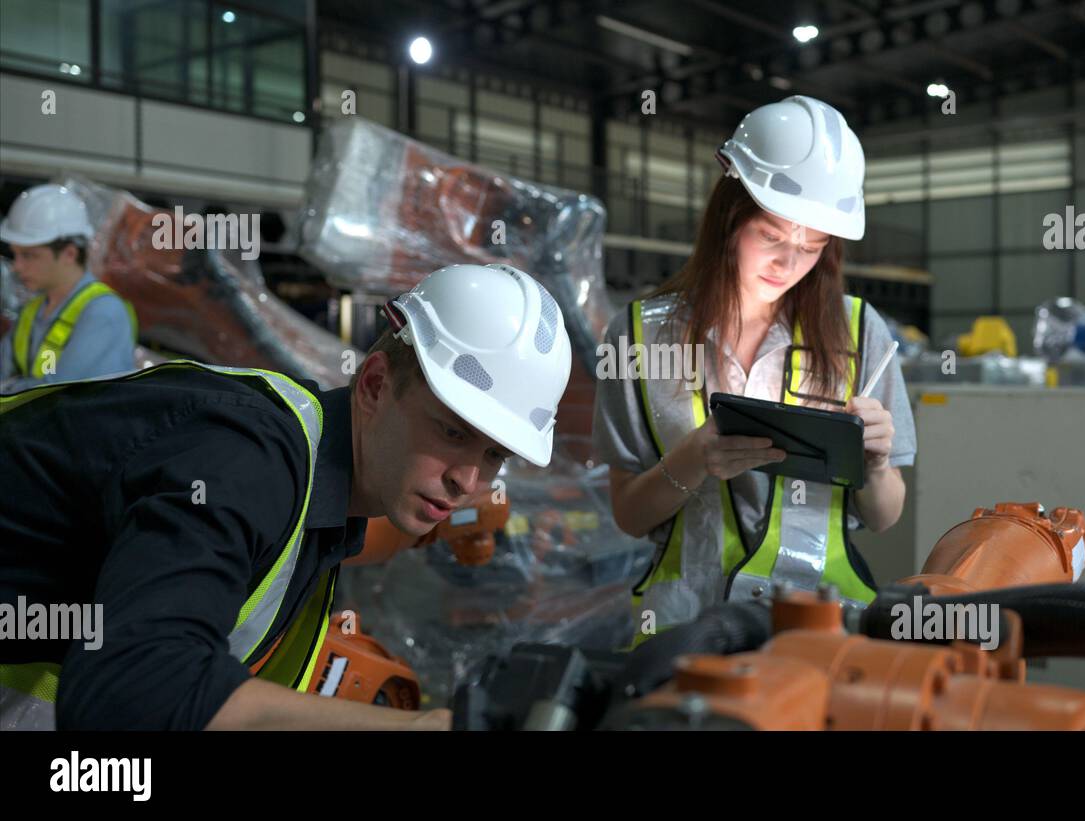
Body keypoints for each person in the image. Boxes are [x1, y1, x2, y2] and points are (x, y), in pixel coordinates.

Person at [0, 263, 572, 730]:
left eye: (495, 455)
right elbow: (127, 691)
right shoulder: (241, 460)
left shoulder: (323, 481)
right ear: (374, 384)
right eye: (452, 433)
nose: (468, 481)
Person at [593, 96, 916, 637]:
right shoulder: (640, 337)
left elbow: (884, 517)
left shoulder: (861, 332)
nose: (789, 264)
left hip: (820, 623)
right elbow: (629, 515)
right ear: (728, 217)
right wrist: (695, 457)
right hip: (684, 624)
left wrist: (878, 467)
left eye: (812, 246)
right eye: (770, 235)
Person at [0, 184, 135, 392]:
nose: (17, 267)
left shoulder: (103, 312)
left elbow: (59, 392)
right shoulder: (33, 311)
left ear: (69, 254)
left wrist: (10, 387)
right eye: (15, 255)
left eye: (29, 255)